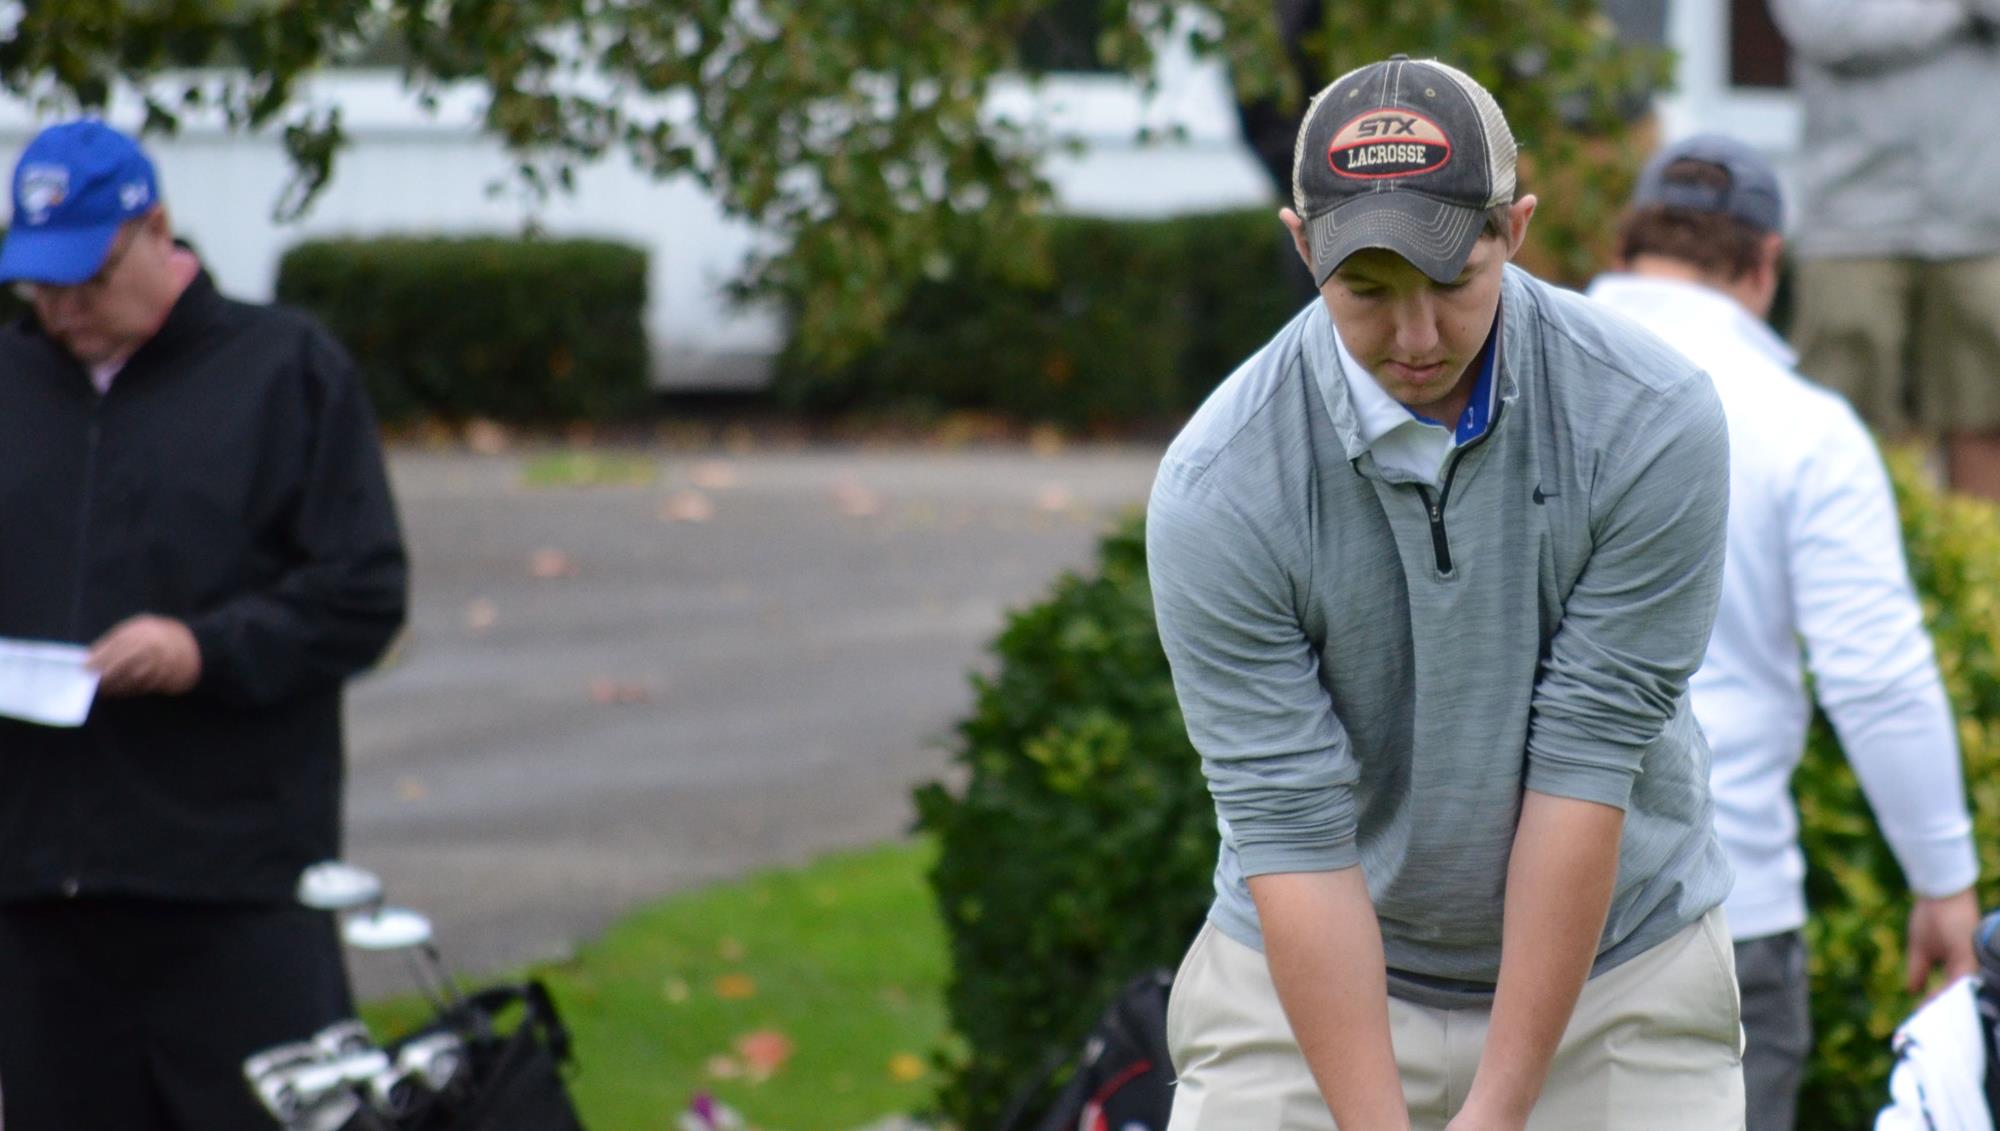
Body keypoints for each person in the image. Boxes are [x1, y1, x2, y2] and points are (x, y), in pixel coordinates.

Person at [1147, 55, 1743, 1130]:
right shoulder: (1219, 485)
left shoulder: (1648, 419)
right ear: (1300, 244)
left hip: (1619, 973)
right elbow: (1289, 828)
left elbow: (1584, 759)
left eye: (1452, 285)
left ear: (1513, 229)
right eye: (1364, 293)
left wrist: (1497, 1106)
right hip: (1309, 979)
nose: (1414, 341)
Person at [0, 119, 408, 1129]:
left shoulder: (285, 371)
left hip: (233, 885)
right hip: (40, 886)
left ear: (157, 231)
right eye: (35, 285)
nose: (59, 311)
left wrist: (203, 650)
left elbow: (361, 592)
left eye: (84, 281)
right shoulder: (9, 386)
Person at [1586, 133, 1981, 1131]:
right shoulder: (1802, 427)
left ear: (1629, 242)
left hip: (1472, 911)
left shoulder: (1497, 371)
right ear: (1764, 265)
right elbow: (1875, 676)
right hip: (1718, 909)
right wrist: (1943, 881)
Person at [1768, 0, 2000, 501]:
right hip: (1853, 222)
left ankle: (1980, 572)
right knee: (1843, 422)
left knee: (1985, 422)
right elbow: (1831, 28)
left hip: (1983, 220)